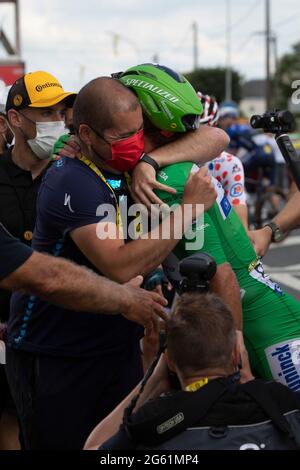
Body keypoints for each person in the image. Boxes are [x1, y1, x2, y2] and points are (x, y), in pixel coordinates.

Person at [6, 76, 217, 450]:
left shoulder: (122, 158)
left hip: (116, 344)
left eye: (140, 132)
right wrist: (189, 209)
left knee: (121, 448)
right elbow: (119, 266)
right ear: (86, 134)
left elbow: (216, 139)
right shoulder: (70, 178)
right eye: (124, 137)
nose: (135, 143)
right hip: (56, 352)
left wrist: (150, 162)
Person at [119, 63, 300, 388]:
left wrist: (236, 351)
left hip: (256, 326)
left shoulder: (166, 179)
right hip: (245, 315)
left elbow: (223, 276)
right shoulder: (174, 165)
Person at [85, 293, 300, 451]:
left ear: (169, 361)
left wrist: (152, 383)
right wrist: (251, 382)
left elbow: (94, 447)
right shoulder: (284, 406)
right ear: (236, 353)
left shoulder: (153, 424)